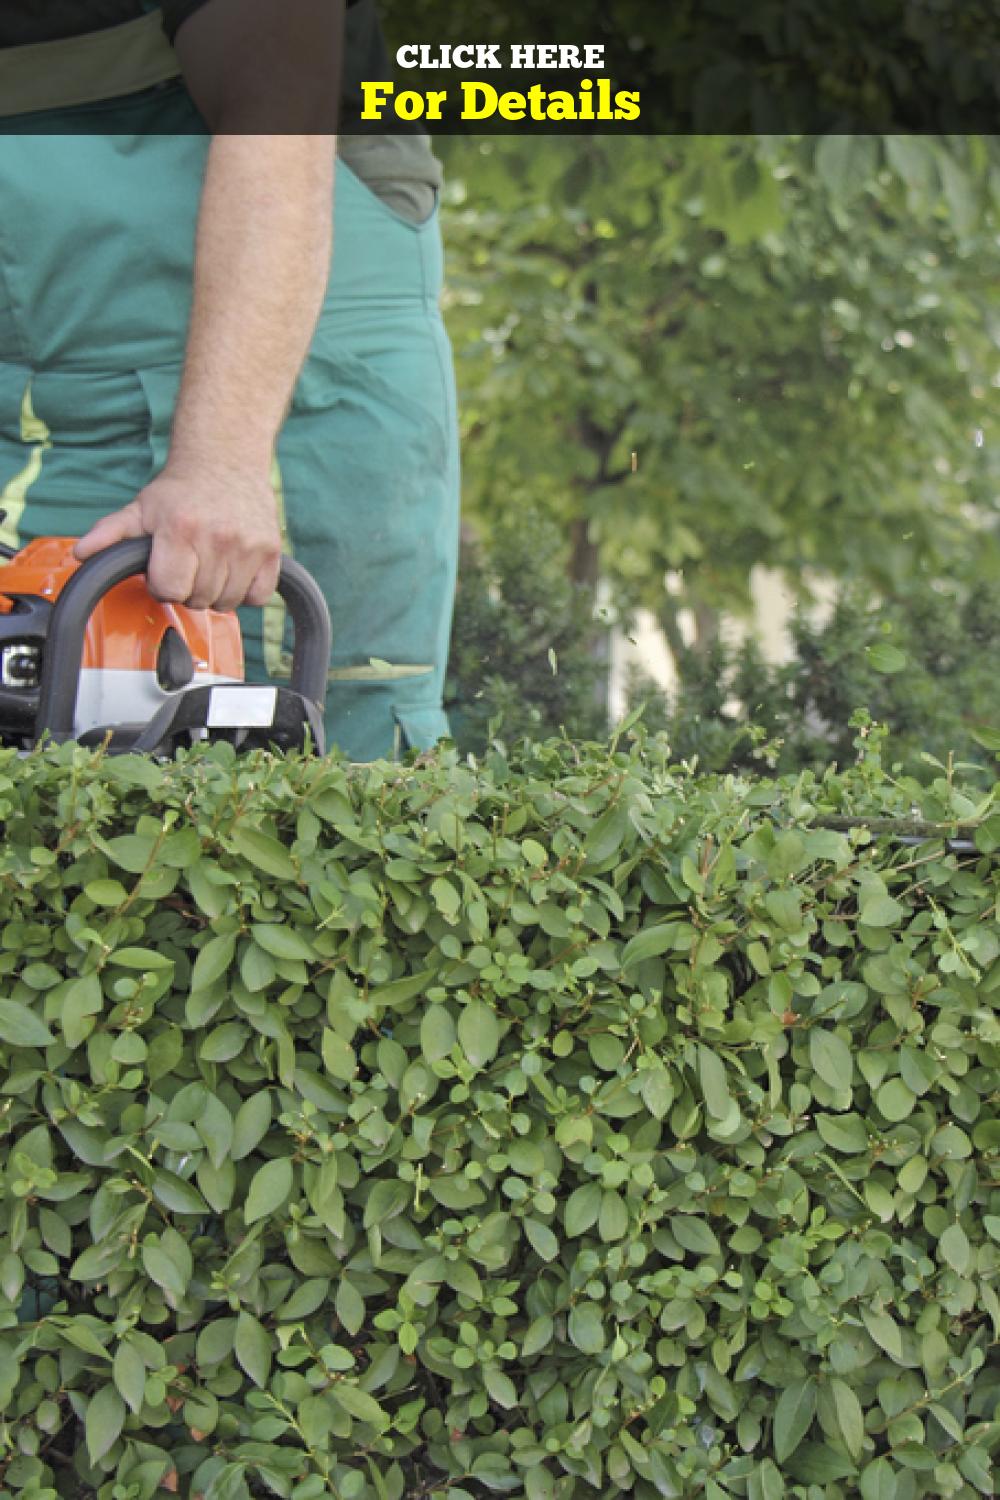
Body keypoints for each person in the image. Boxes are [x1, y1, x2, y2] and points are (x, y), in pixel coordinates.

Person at [0, 0, 460, 760]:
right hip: (31, 361)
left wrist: (220, 464)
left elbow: (275, 116)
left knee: (314, 757)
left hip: (273, 352)